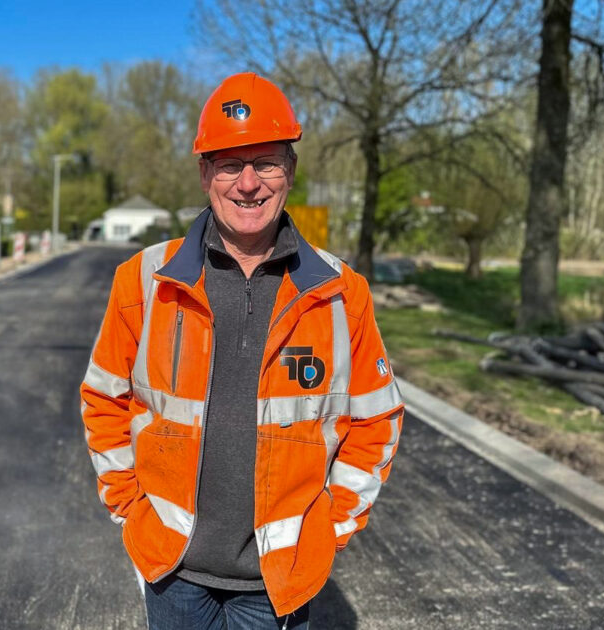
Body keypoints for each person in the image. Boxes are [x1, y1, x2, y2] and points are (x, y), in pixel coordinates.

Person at [79, 72, 404, 629]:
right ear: (205, 173)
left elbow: (377, 419)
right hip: (173, 572)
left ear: (290, 171)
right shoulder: (144, 280)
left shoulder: (340, 292)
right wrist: (130, 508)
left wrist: (331, 525)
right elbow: (103, 401)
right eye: (230, 164)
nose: (249, 184)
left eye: (267, 163)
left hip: (277, 582)